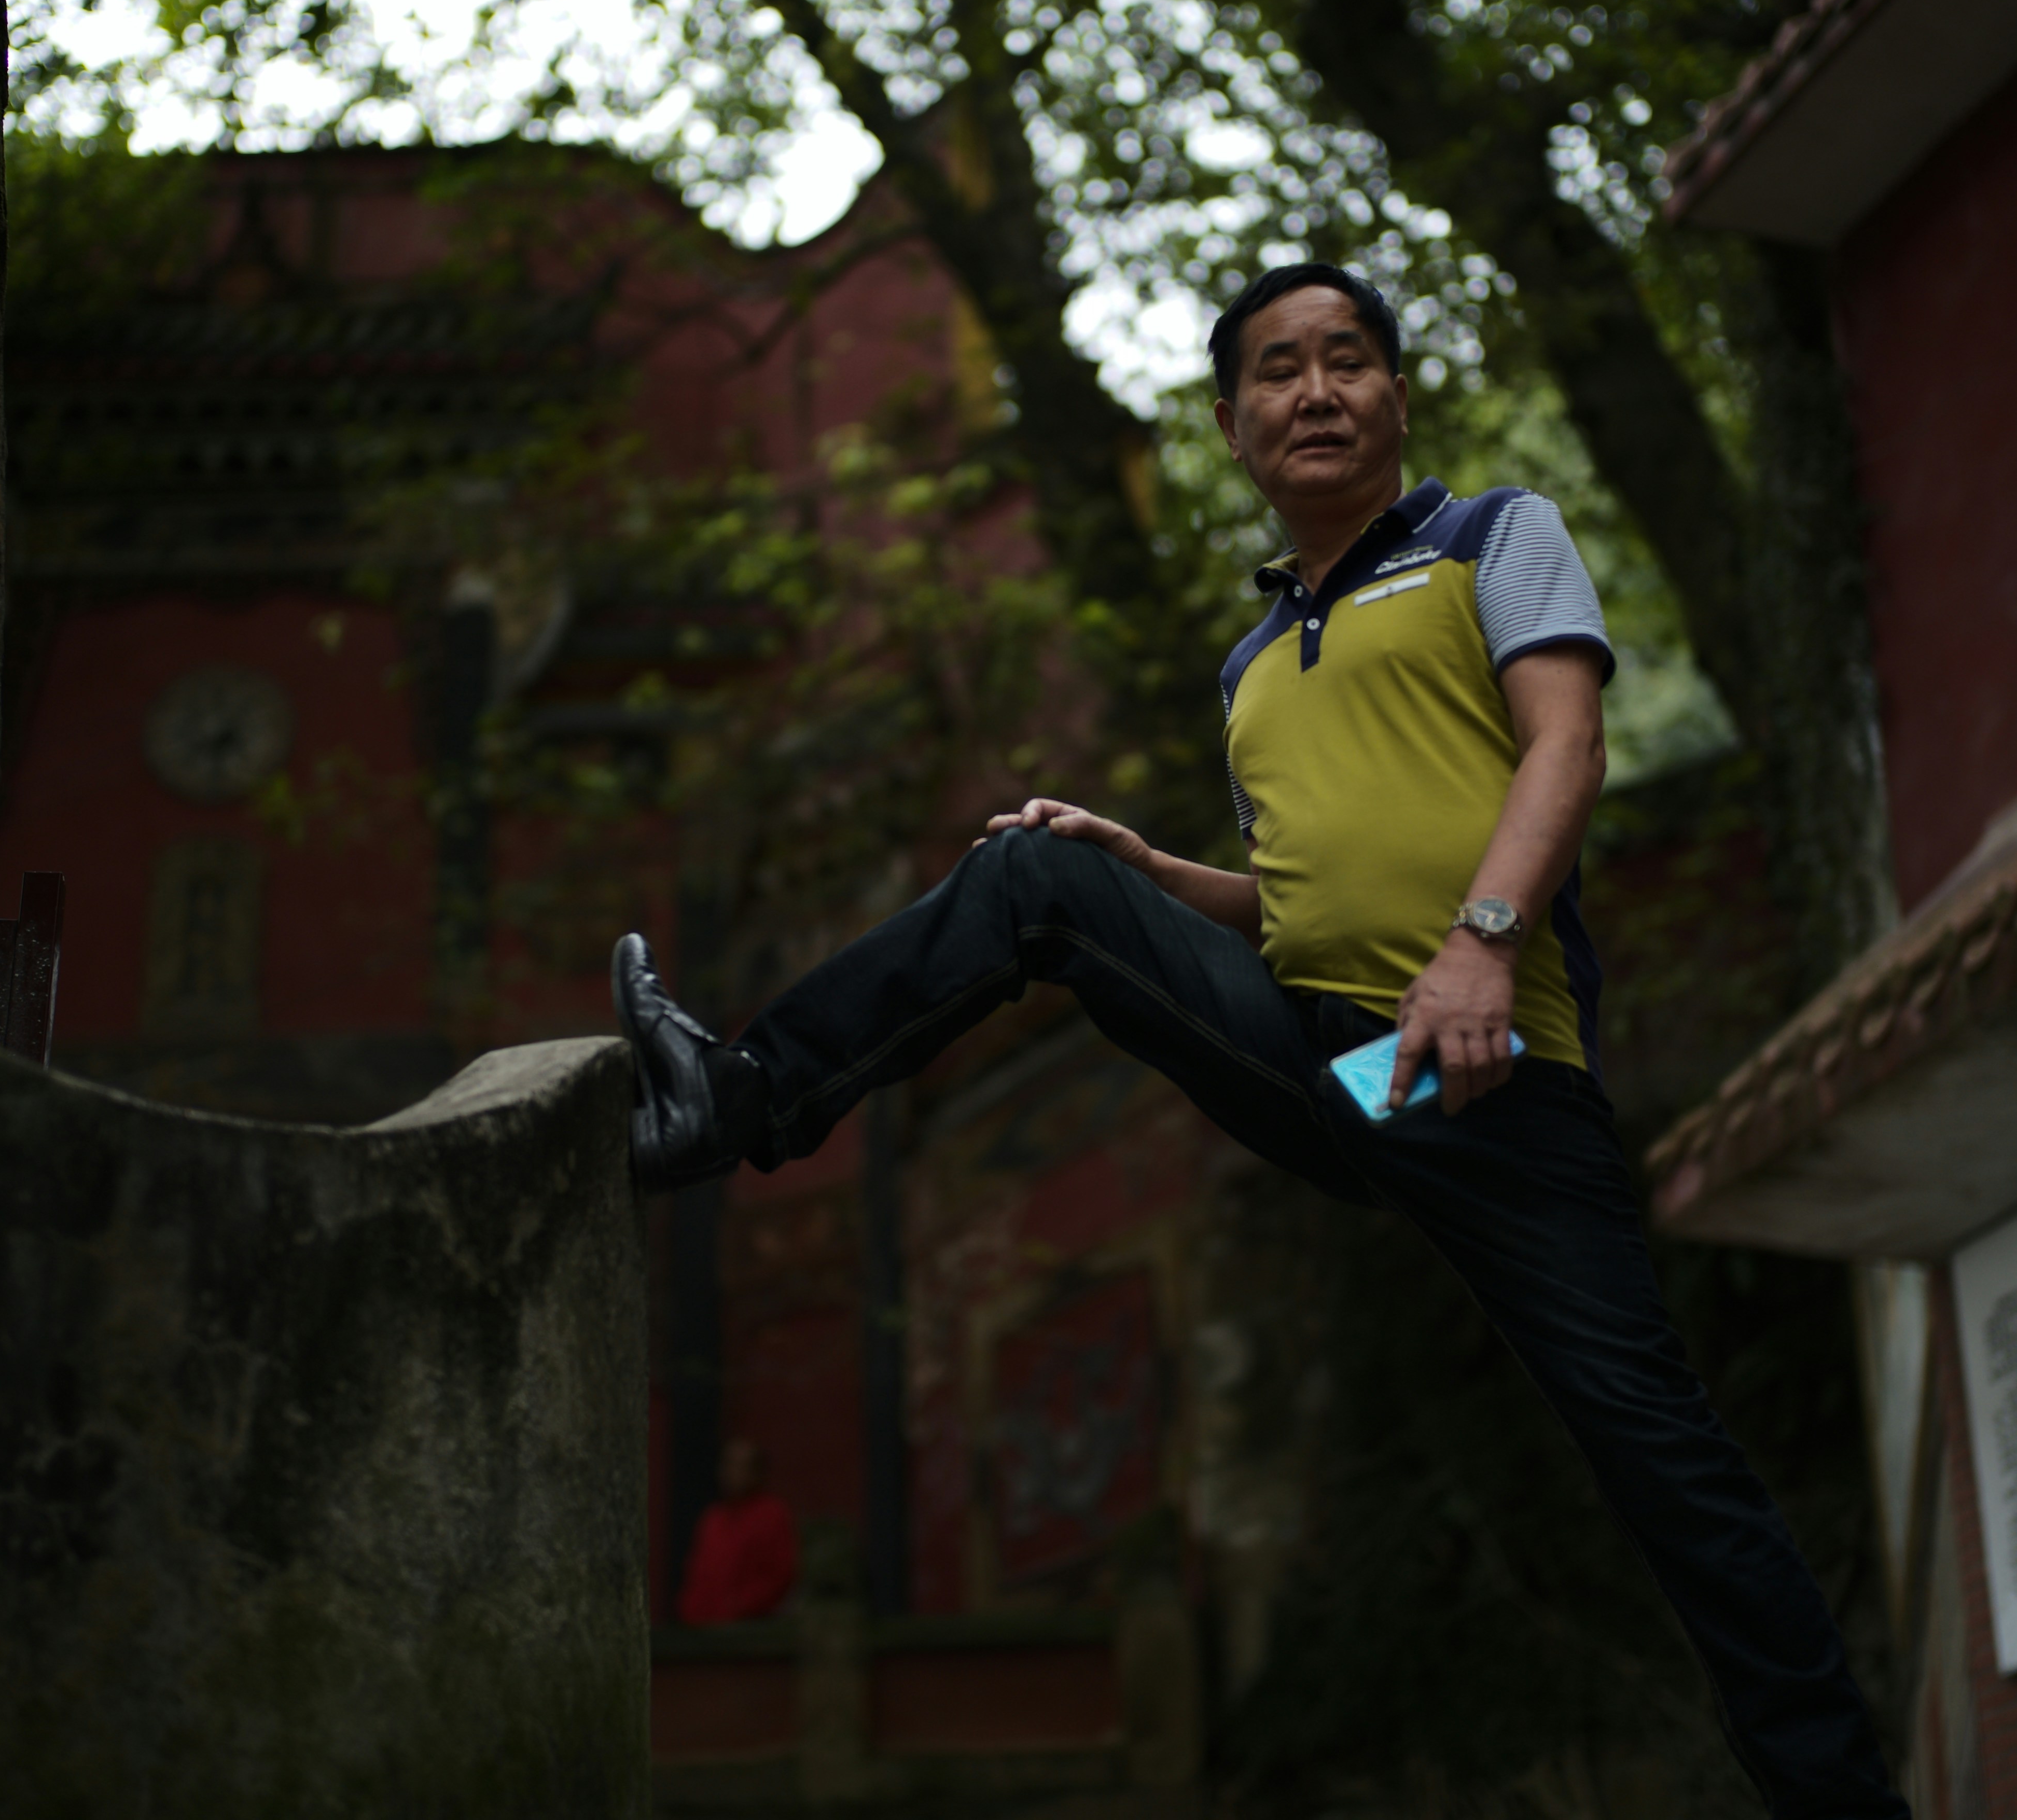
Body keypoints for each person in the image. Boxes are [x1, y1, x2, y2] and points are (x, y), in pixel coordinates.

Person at [614, 264, 1909, 1815]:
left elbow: (1565, 743)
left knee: (1661, 1457)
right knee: (1035, 869)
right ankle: (734, 1095)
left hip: (1484, 1068)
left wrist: (1479, 947)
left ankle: (1843, 1799)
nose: (1316, 389)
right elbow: (1299, 900)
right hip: (1337, 1065)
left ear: (1394, 395)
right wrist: (1151, 877)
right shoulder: (1246, 672)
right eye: (1279, 370)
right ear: (1232, 425)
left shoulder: (1489, 538)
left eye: (1347, 359)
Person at [675, 1436, 798, 1626]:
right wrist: (692, 1612)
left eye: (741, 1466)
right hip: (704, 1630)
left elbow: (779, 1575)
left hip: (750, 1630)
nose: (732, 1473)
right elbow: (698, 1573)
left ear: (758, 1472)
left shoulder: (772, 1515)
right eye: (729, 1465)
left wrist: (738, 1607)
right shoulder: (713, 1519)